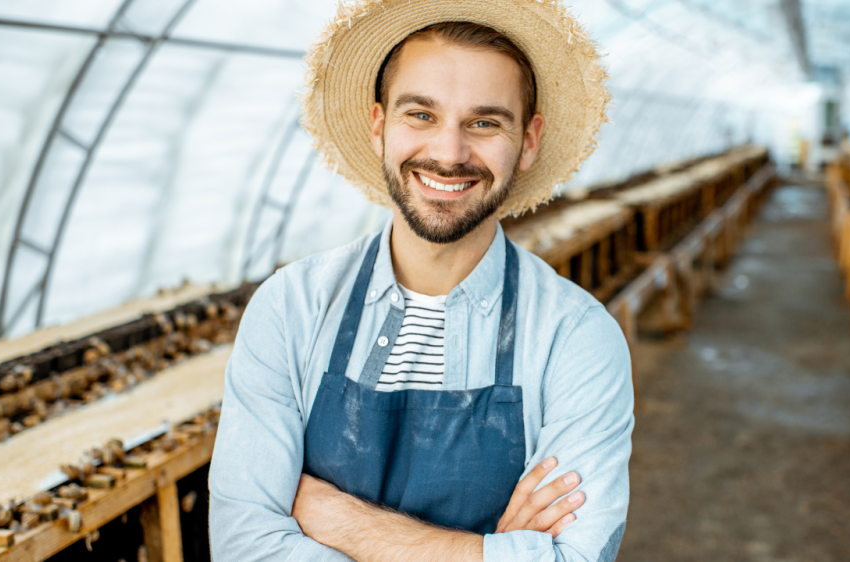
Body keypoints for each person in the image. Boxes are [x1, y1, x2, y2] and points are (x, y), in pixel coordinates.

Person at [208, 1, 632, 560]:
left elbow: (575, 558)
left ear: (528, 142)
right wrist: (492, 550)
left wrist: (340, 519)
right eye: (421, 115)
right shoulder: (291, 308)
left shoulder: (575, 337)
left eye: (484, 123)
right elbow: (246, 549)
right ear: (379, 124)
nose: (449, 153)